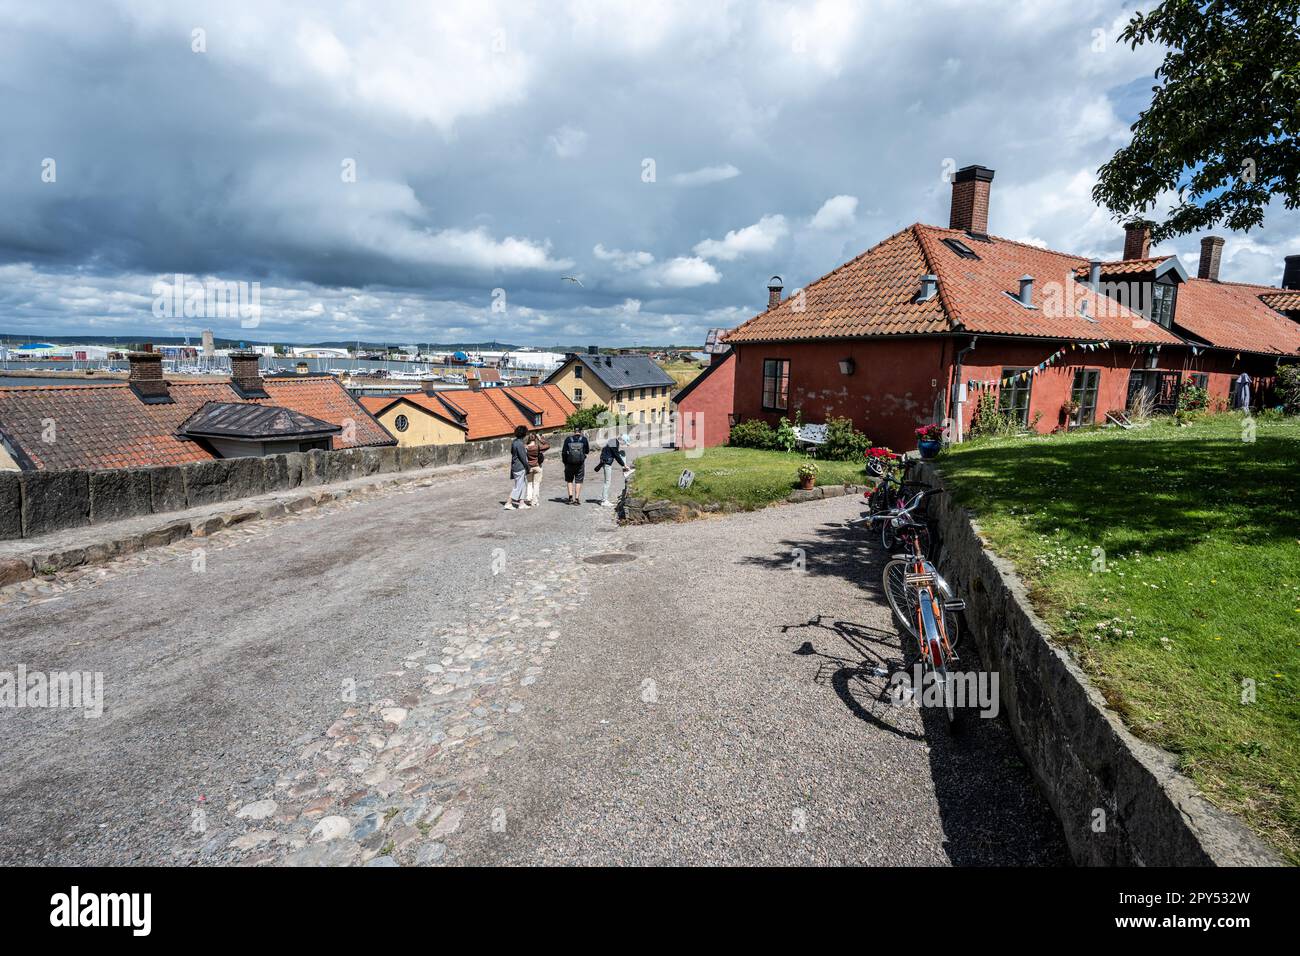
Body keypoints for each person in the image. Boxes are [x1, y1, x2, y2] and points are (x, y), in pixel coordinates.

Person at [593, 434, 634, 507]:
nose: (623, 444)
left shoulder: (613, 441)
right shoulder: (614, 443)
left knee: (622, 453)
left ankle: (625, 469)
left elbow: (611, 453)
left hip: (605, 461)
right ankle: (604, 500)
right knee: (607, 482)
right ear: (622, 440)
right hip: (607, 463)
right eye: (624, 442)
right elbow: (616, 456)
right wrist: (624, 465)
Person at [560, 430, 590, 505]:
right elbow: (587, 451)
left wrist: (565, 462)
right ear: (581, 431)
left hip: (569, 463)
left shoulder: (568, 439)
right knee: (578, 480)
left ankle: (570, 498)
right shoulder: (584, 439)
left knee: (569, 480)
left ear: (574, 431)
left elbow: (563, 452)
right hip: (580, 464)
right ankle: (576, 499)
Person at [504, 425, 530, 510]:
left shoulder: (515, 442)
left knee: (523, 485)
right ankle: (508, 502)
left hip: (515, 466)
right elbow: (523, 457)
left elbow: (513, 452)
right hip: (520, 467)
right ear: (523, 434)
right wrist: (528, 467)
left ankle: (521, 503)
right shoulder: (519, 444)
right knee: (518, 486)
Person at [524, 431, 551, 506]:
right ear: (535, 438)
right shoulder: (538, 447)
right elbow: (548, 445)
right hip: (537, 466)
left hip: (529, 467)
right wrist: (541, 439)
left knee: (529, 483)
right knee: (536, 484)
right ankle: (534, 501)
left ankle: (529, 498)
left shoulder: (526, 447)